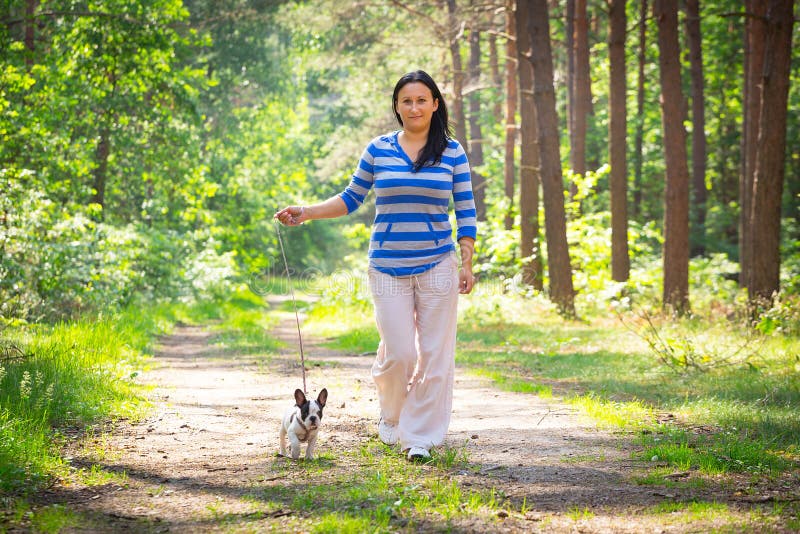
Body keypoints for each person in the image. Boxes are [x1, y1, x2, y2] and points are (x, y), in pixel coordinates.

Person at [274, 70, 477, 461]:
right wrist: (307, 212)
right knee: (401, 352)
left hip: (437, 262)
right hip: (387, 266)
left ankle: (419, 438)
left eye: (422, 99)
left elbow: (466, 210)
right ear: (397, 106)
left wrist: (466, 262)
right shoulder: (379, 149)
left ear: (436, 104)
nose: (414, 107)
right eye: (407, 100)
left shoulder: (452, 152)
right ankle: (392, 413)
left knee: (435, 356)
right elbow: (351, 198)